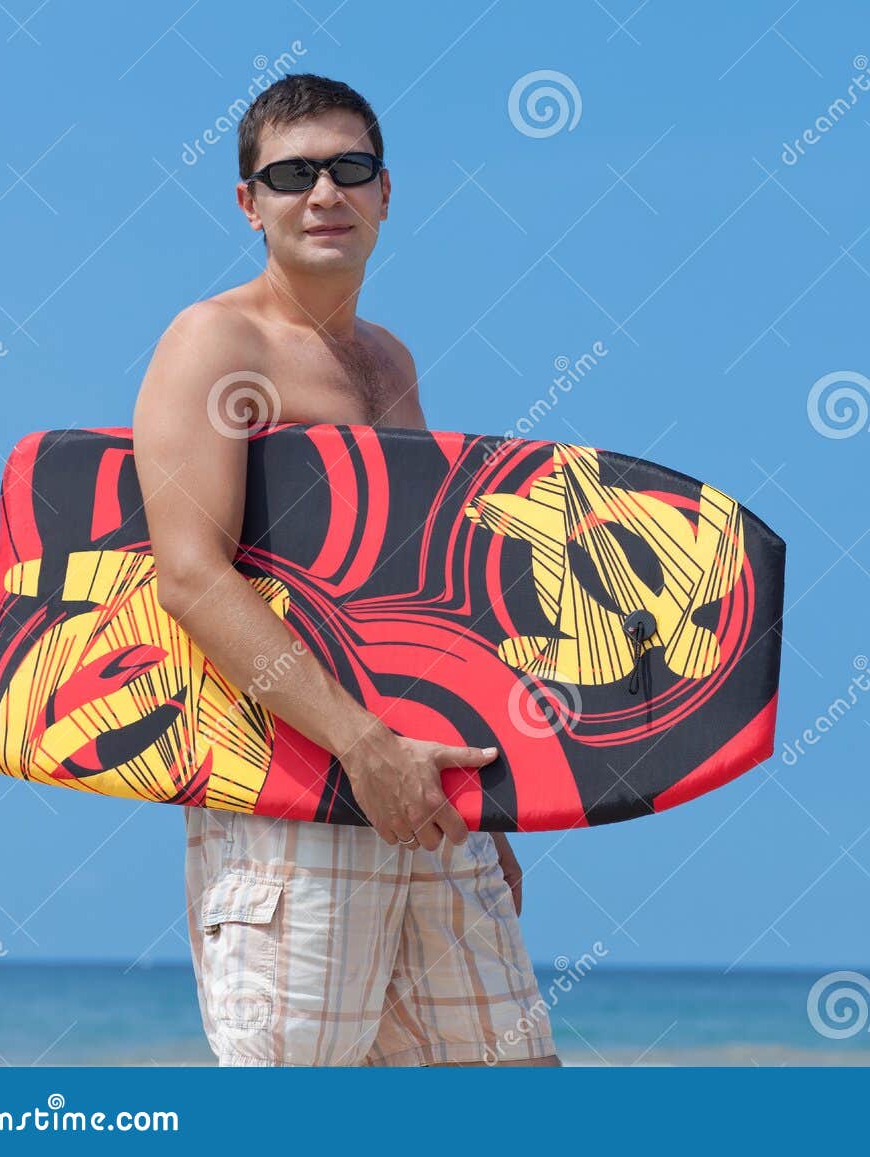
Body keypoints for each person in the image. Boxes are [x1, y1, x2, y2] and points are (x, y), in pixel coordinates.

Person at [131, 73, 559, 1067]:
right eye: (291, 174)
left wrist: (488, 814)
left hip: (425, 795)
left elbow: (419, 595)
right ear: (250, 203)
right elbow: (190, 575)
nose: (324, 193)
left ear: (385, 192)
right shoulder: (216, 340)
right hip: (294, 798)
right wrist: (362, 745)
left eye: (348, 168)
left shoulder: (389, 362)